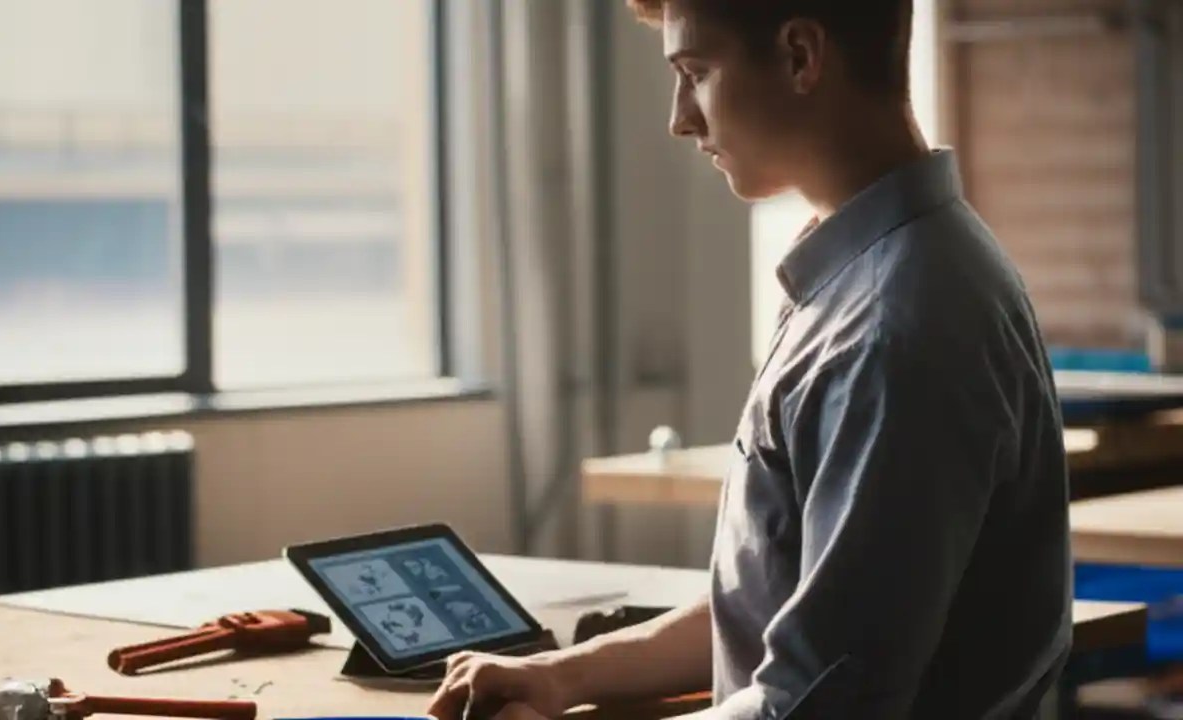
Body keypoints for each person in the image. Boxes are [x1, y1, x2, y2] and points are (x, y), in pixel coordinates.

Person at [428, 0, 1072, 717]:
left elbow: (819, 701)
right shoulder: (876, 270)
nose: (681, 117)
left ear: (800, 56)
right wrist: (563, 676)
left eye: (695, 73)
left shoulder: (892, 328)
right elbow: (786, 604)